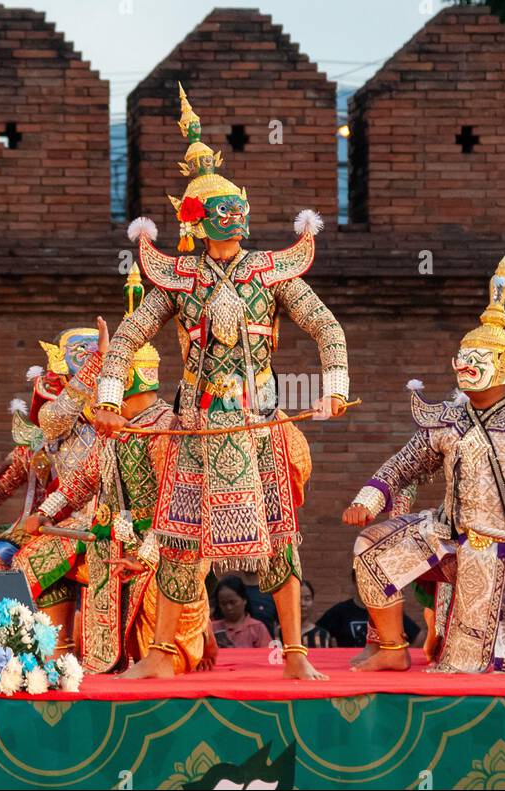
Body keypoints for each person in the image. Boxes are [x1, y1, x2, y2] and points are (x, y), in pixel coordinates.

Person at [92, 86, 349, 680]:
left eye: (238, 209)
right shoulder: (179, 278)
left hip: (260, 426)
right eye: (221, 211)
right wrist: (107, 399)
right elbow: (129, 337)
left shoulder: (271, 272)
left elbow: (326, 327)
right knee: (179, 541)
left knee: (282, 541)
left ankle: (295, 655)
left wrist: (333, 385)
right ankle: (159, 656)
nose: (233, 219)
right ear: (196, 220)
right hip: (196, 428)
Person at [343, 259, 505, 674]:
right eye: (463, 355)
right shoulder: (447, 420)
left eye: (476, 357)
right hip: (454, 540)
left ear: (504, 365)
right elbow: (402, 465)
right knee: (372, 549)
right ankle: (392, 647)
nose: (465, 363)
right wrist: (368, 499)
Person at [25, 269, 214, 674]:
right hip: (110, 544)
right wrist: (44, 513)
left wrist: (145, 557)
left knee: (161, 650)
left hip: (163, 552)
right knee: (46, 568)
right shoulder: (116, 430)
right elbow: (82, 480)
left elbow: (177, 508)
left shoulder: (166, 430)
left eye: (108, 385)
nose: (99, 398)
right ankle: (63, 655)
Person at [0, 322, 106, 651]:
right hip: (42, 524)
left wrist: (98, 361)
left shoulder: (106, 430)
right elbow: (3, 482)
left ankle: (3, 646)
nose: (49, 409)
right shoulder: (43, 437)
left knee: (7, 557)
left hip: (92, 523)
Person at [316, 588, 419, 650]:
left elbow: (418, 634)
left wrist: (405, 650)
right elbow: (319, 630)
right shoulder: (340, 610)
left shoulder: (386, 610)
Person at [212, 577, 272, 649]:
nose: (229, 607)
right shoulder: (212, 628)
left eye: (233, 602)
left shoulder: (257, 628)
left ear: (244, 600)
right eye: (223, 604)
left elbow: (266, 656)